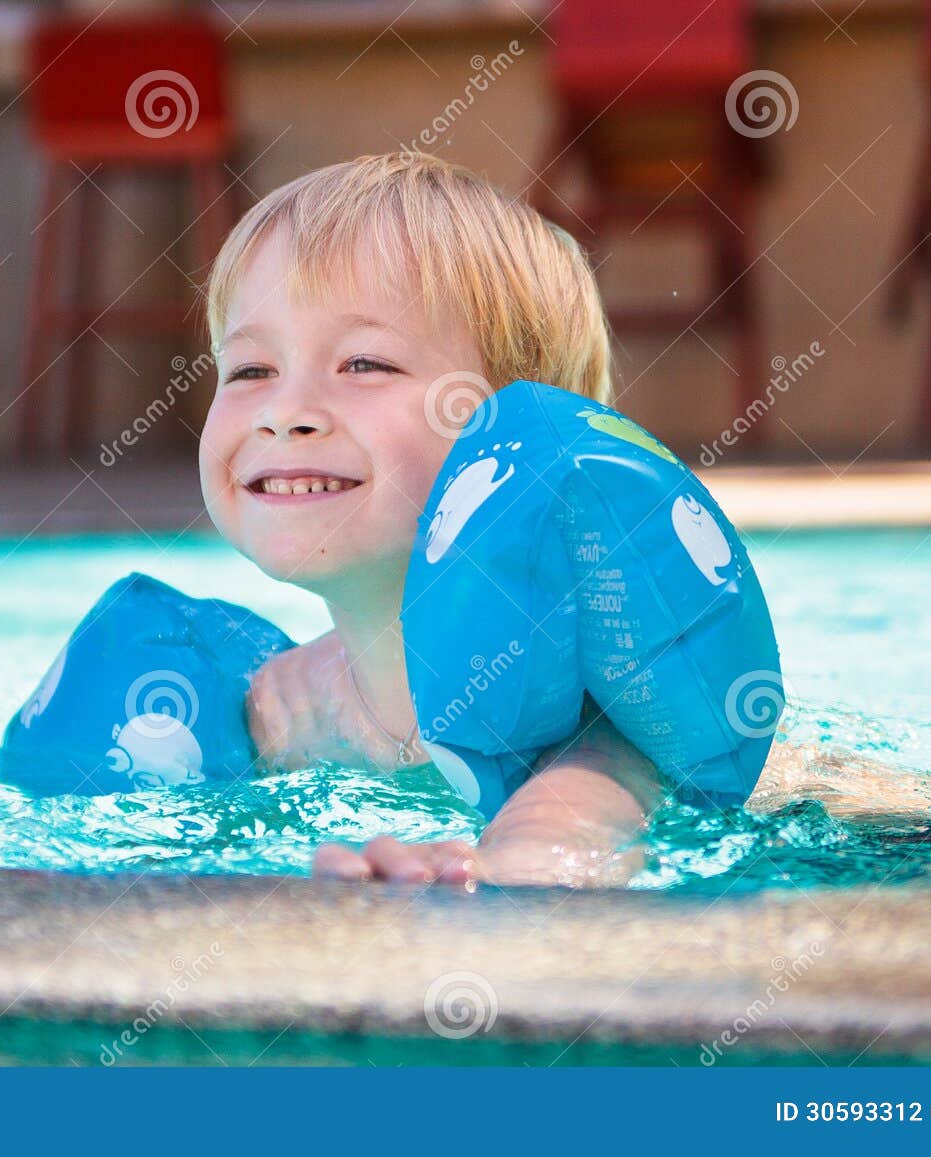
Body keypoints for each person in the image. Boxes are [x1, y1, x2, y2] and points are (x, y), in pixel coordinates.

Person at [200, 152, 677, 889]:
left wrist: (490, 872)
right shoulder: (274, 709)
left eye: (364, 363)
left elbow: (567, 840)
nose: (283, 412)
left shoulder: (593, 722)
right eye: (250, 370)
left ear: (527, 436)